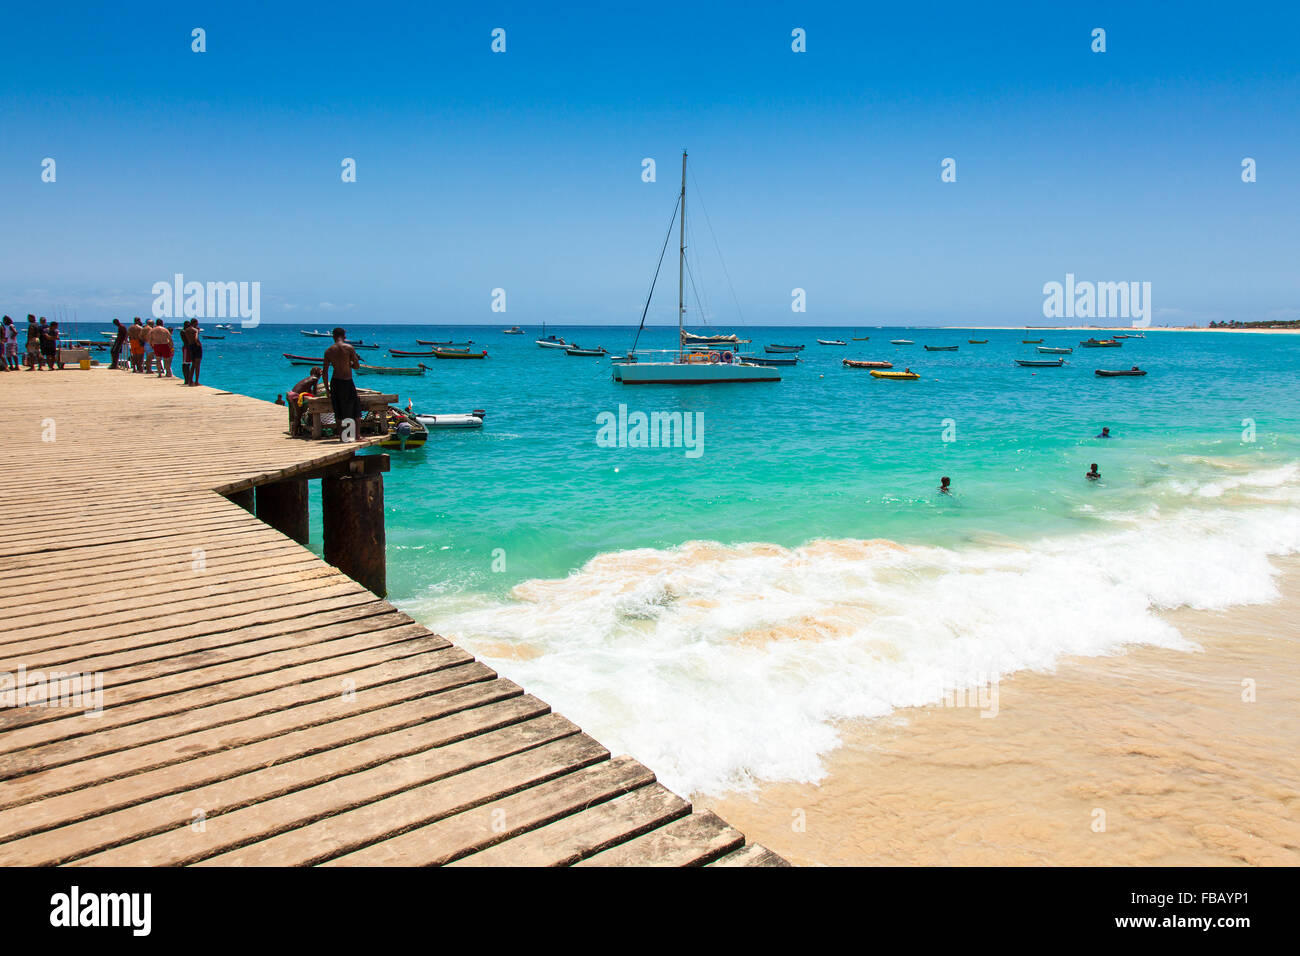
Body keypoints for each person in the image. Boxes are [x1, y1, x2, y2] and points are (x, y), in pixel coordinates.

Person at [323, 328, 361, 441]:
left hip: (335, 381)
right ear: (344, 336)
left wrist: (327, 389)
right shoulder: (349, 348)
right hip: (347, 380)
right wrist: (349, 363)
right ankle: (357, 436)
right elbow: (357, 366)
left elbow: (325, 372)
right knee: (355, 409)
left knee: (338, 410)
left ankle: (342, 437)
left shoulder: (329, 351)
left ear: (333, 336)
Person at [288, 366, 322, 437]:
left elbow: (308, 389)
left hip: (291, 393)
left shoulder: (310, 378)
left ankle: (296, 431)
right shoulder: (315, 379)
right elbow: (315, 391)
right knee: (299, 415)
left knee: (298, 414)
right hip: (295, 395)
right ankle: (294, 433)